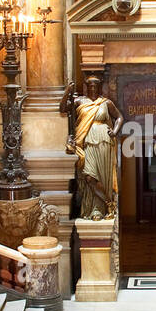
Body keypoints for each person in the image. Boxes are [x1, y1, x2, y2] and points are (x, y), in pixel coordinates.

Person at [59, 75, 124, 219]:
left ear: (100, 87)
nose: (92, 89)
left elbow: (119, 117)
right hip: (87, 141)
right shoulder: (80, 101)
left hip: (104, 142)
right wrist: (67, 92)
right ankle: (108, 203)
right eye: (90, 86)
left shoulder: (106, 103)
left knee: (102, 175)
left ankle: (99, 210)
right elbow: (63, 108)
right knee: (89, 177)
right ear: (86, 87)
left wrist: (114, 132)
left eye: (95, 86)